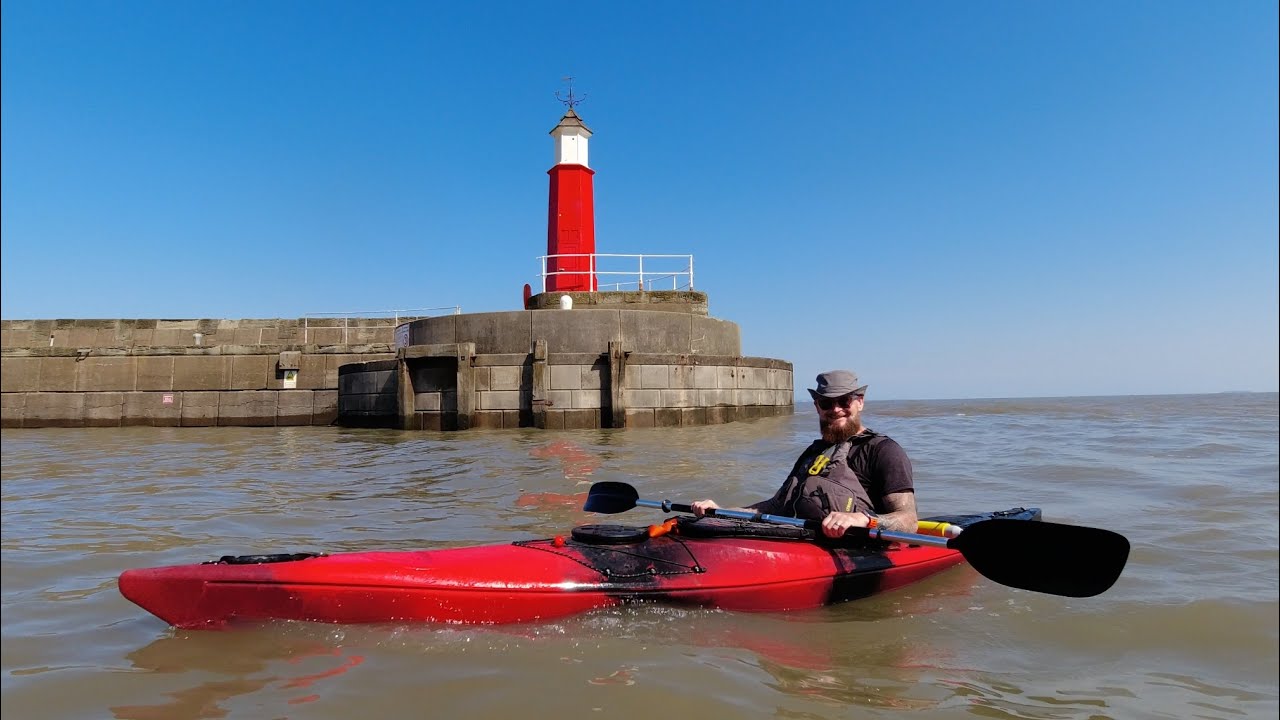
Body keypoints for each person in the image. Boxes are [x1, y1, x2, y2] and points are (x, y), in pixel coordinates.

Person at [691, 370, 917, 539]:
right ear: (818, 407)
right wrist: (719, 512)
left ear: (859, 402)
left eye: (844, 401)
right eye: (827, 403)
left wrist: (860, 519)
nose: (836, 409)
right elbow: (773, 506)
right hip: (804, 541)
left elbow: (909, 521)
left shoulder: (884, 451)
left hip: (858, 549)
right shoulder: (814, 452)